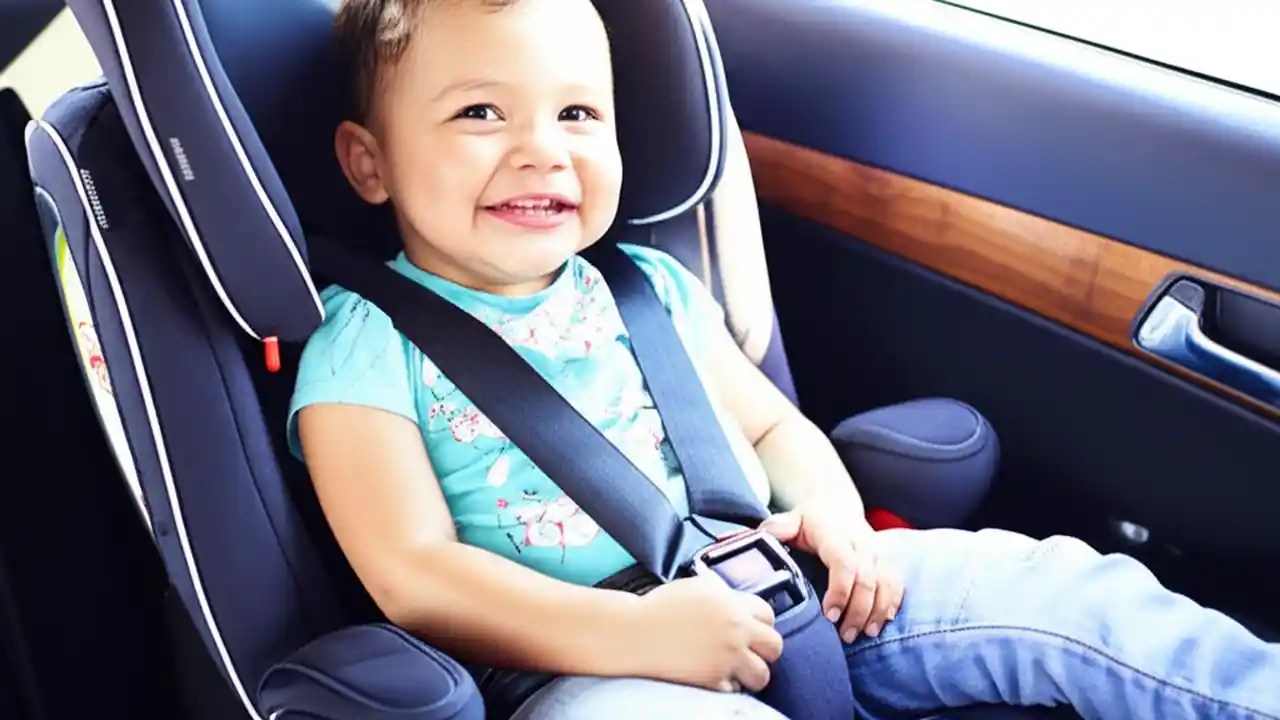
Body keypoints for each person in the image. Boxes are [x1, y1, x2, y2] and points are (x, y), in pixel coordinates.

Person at [287, 0, 1280, 717]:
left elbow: (769, 425)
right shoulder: (362, 341)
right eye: (479, 113)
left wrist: (835, 518)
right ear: (368, 163)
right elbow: (414, 573)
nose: (543, 150)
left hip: (779, 584)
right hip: (577, 665)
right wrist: (635, 635)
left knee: (1063, 592)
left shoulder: (644, 285)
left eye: (577, 114)